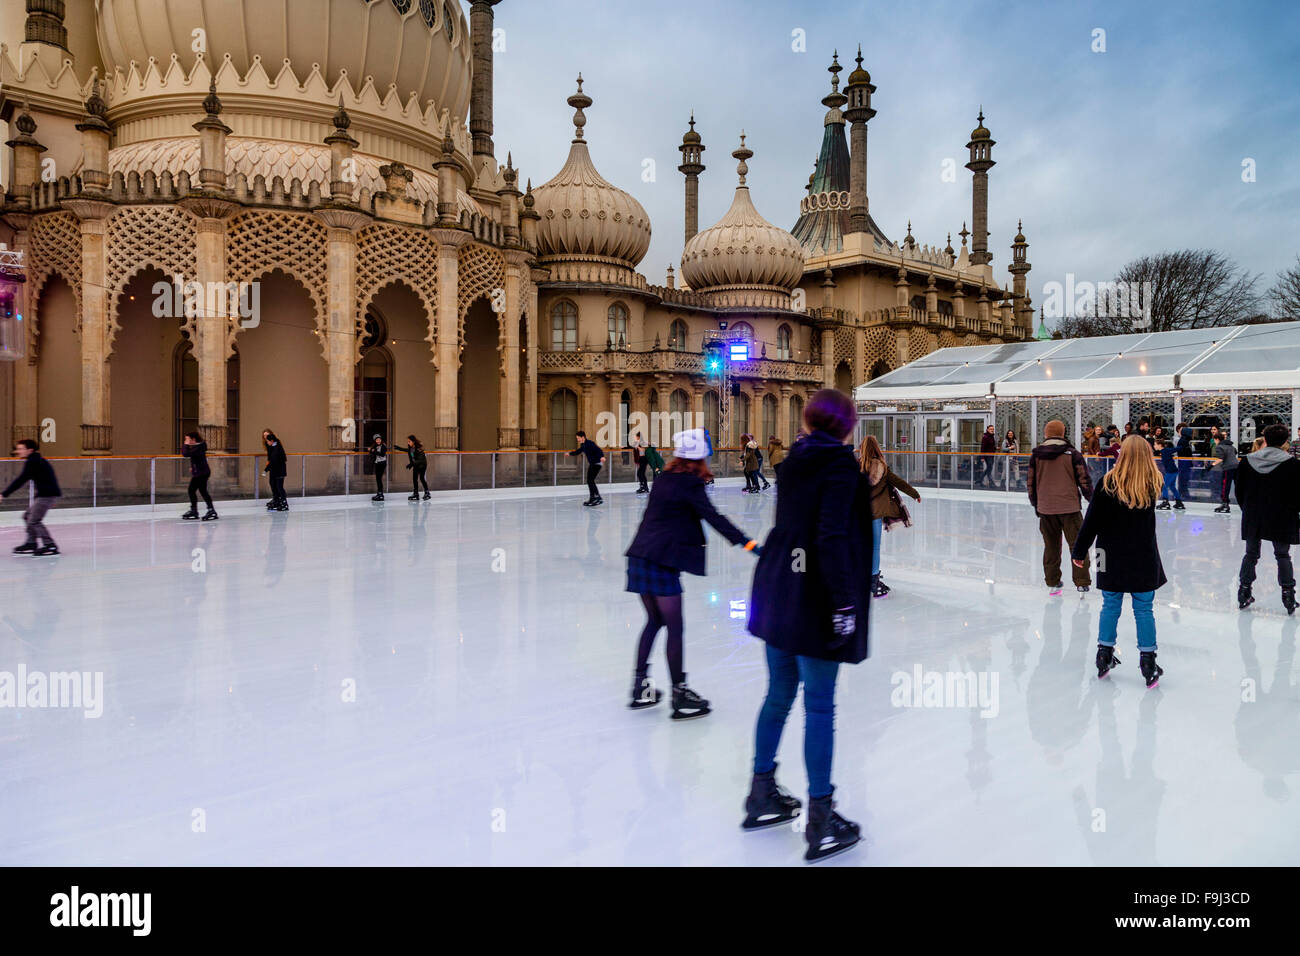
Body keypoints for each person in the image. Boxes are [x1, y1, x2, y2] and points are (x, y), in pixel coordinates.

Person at [746, 389, 872, 862]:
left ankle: (761, 793)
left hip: (777, 588)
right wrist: (843, 604)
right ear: (845, 424)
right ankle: (820, 817)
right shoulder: (839, 466)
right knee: (819, 705)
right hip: (814, 598)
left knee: (778, 695)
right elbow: (832, 537)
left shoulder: (793, 461)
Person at [624, 427, 760, 718]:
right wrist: (750, 544)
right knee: (674, 626)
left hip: (639, 557)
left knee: (654, 621)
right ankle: (680, 693)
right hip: (660, 562)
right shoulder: (689, 483)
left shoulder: (664, 480)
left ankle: (640, 686)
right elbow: (714, 518)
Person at [1071, 434, 1168, 688]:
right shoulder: (1153, 481)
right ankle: (1148, 660)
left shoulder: (1107, 483)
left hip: (1109, 553)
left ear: (1121, 454)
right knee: (1144, 609)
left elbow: (1092, 520)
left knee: (1110, 605)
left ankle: (1104, 655)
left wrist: (1079, 552)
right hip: (1143, 554)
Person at [1234, 423, 1300, 614]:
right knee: (1282, 555)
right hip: (1281, 517)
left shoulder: (1247, 462)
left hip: (1254, 515)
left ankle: (1244, 592)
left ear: (1265, 439)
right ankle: (1288, 595)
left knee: (1251, 554)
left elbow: (1239, 489)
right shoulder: (1293, 465)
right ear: (1286, 441)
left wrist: (1247, 509)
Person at [1027, 419, 1093, 595]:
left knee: (1051, 546)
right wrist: (1092, 500)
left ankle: (1052, 581)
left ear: (1046, 434)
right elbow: (1084, 480)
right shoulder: (1072, 454)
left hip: (1046, 508)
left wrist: (1036, 503)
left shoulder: (1036, 455)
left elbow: (1031, 483)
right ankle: (1081, 582)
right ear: (1063, 433)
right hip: (1069, 507)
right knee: (1077, 545)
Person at [858, 433, 920, 598]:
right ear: (876, 448)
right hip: (875, 514)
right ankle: (873, 579)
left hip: (859, 514)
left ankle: (865, 576)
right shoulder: (882, 468)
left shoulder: (857, 467)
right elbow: (898, 482)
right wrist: (914, 493)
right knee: (875, 547)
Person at [1, 439, 61, 555]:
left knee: (34, 520)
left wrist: (4, 494)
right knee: (27, 516)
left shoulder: (34, 462)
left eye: (20, 449)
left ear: (30, 450)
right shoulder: (35, 460)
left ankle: (50, 545)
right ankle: (31, 542)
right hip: (44, 494)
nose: (18, 451)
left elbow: (21, 480)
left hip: (47, 495)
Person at [180, 431, 218, 520]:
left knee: (192, 490)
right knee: (200, 491)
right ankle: (207, 510)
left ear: (193, 439)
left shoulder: (199, 447)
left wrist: (185, 444)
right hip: (200, 472)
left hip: (201, 473)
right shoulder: (198, 446)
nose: (186, 440)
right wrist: (193, 467)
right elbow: (196, 458)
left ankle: (200, 510)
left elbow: (186, 454)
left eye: (187, 439)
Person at [569, 430, 605, 506]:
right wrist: (569, 454)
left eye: (578, 438)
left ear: (583, 437)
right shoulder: (583, 445)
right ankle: (596, 497)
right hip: (593, 463)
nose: (577, 440)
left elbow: (598, 450)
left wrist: (602, 457)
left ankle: (595, 497)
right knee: (590, 480)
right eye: (577, 438)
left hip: (597, 463)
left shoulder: (590, 443)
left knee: (590, 480)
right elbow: (578, 451)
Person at [1207, 431, 1239, 514]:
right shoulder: (1230, 446)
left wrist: (1211, 465)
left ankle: (1225, 504)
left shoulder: (1219, 447)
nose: (1214, 441)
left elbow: (1220, 458)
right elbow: (1235, 452)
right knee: (1238, 485)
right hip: (1236, 466)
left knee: (1225, 486)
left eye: (1214, 440)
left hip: (1228, 468)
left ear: (1217, 439)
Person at [395, 435, 429, 501]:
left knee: (422, 478)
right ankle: (416, 494)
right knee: (414, 479)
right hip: (416, 465)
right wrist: (399, 448)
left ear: (413, 441)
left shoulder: (419, 449)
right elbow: (407, 450)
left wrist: (411, 464)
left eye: (409, 441)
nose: (408, 443)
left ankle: (427, 493)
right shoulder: (411, 448)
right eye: (408, 441)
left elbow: (420, 460)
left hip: (422, 465)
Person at [1154, 438, 1184, 510]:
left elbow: (1176, 449)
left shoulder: (1166, 450)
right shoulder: (1163, 451)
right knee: (1172, 487)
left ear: (1160, 445)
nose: (1154, 446)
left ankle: (1165, 502)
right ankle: (1179, 502)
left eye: (1155, 444)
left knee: (1164, 486)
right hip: (1172, 471)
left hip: (1171, 471)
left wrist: (1182, 445)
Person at [262, 429, 288, 511]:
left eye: (268, 439)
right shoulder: (273, 446)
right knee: (274, 484)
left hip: (279, 470)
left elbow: (274, 459)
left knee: (279, 487)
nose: (267, 441)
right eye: (264, 436)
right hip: (275, 470)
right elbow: (271, 459)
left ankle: (284, 503)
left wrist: (266, 470)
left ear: (271, 440)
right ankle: (277, 501)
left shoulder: (276, 447)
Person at [1174, 422, 1194, 500]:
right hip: (1183, 464)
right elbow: (1184, 452)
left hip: (1185, 463)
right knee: (1183, 479)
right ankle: (1183, 494)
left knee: (1185, 479)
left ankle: (1184, 493)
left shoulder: (1184, 440)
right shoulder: (1183, 441)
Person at [369, 434, 388, 501]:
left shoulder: (383, 446)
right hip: (377, 463)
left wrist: (374, 451)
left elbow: (382, 454)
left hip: (382, 463)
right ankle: (379, 493)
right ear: (375, 440)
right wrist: (372, 450)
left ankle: (380, 494)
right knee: (378, 479)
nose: (378, 440)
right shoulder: (375, 446)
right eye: (377, 439)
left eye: (379, 439)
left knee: (379, 479)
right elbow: (371, 452)